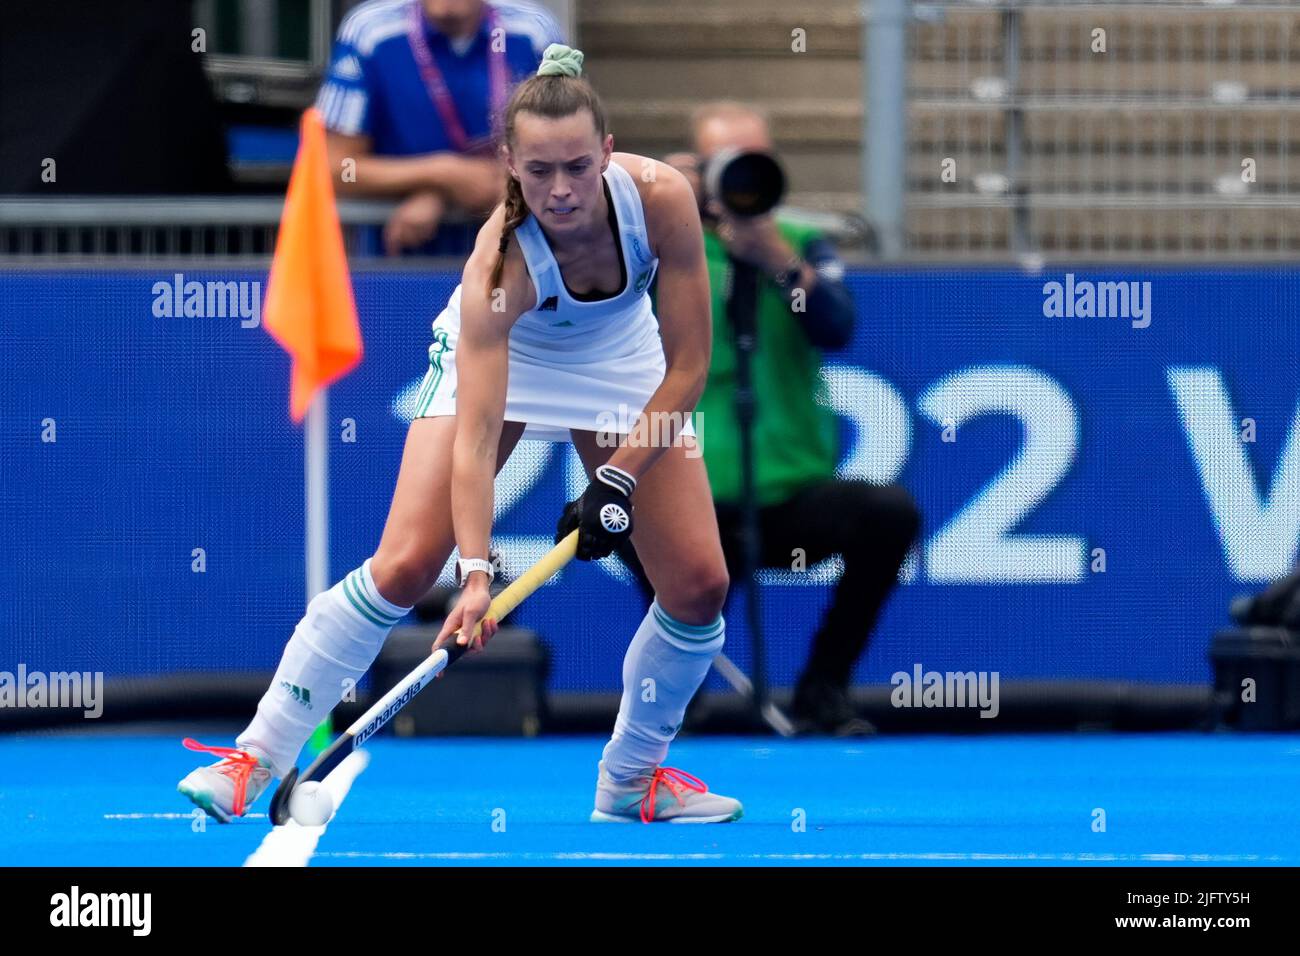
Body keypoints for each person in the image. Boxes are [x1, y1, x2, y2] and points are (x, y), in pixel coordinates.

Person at [178, 45, 743, 825]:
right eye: (538, 171)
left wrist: (617, 476)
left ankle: (631, 779)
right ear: (509, 163)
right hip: (510, 352)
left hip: (622, 358)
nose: (561, 190)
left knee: (699, 588)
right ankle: (258, 755)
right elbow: (477, 439)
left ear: (608, 153)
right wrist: (476, 576)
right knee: (407, 565)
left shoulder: (663, 200)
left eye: (578, 166)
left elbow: (688, 367)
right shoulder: (499, 267)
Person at [616, 102, 920, 736]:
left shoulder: (802, 244)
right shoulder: (660, 245)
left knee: (890, 514)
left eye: (749, 162)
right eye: (716, 165)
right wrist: (653, 195)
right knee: (623, 516)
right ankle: (679, 692)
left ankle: (823, 690)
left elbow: (837, 327)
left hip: (788, 492)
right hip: (691, 485)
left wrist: (777, 259)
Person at [317, 0, 563, 256]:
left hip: (518, 261)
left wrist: (446, 192)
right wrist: (443, 175)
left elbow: (570, 155)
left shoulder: (534, 31)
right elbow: (333, 169)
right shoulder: (369, 32)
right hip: (401, 266)